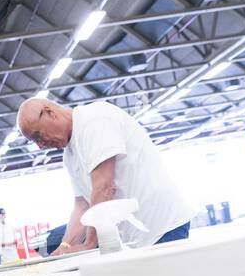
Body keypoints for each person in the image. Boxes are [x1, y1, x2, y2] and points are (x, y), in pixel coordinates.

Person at [17, 97, 197, 251]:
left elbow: (104, 186)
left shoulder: (94, 121)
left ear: (50, 112)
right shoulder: (70, 156)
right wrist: (64, 247)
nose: (40, 146)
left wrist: (91, 243)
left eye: (37, 136)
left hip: (162, 226)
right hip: (137, 238)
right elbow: (82, 205)